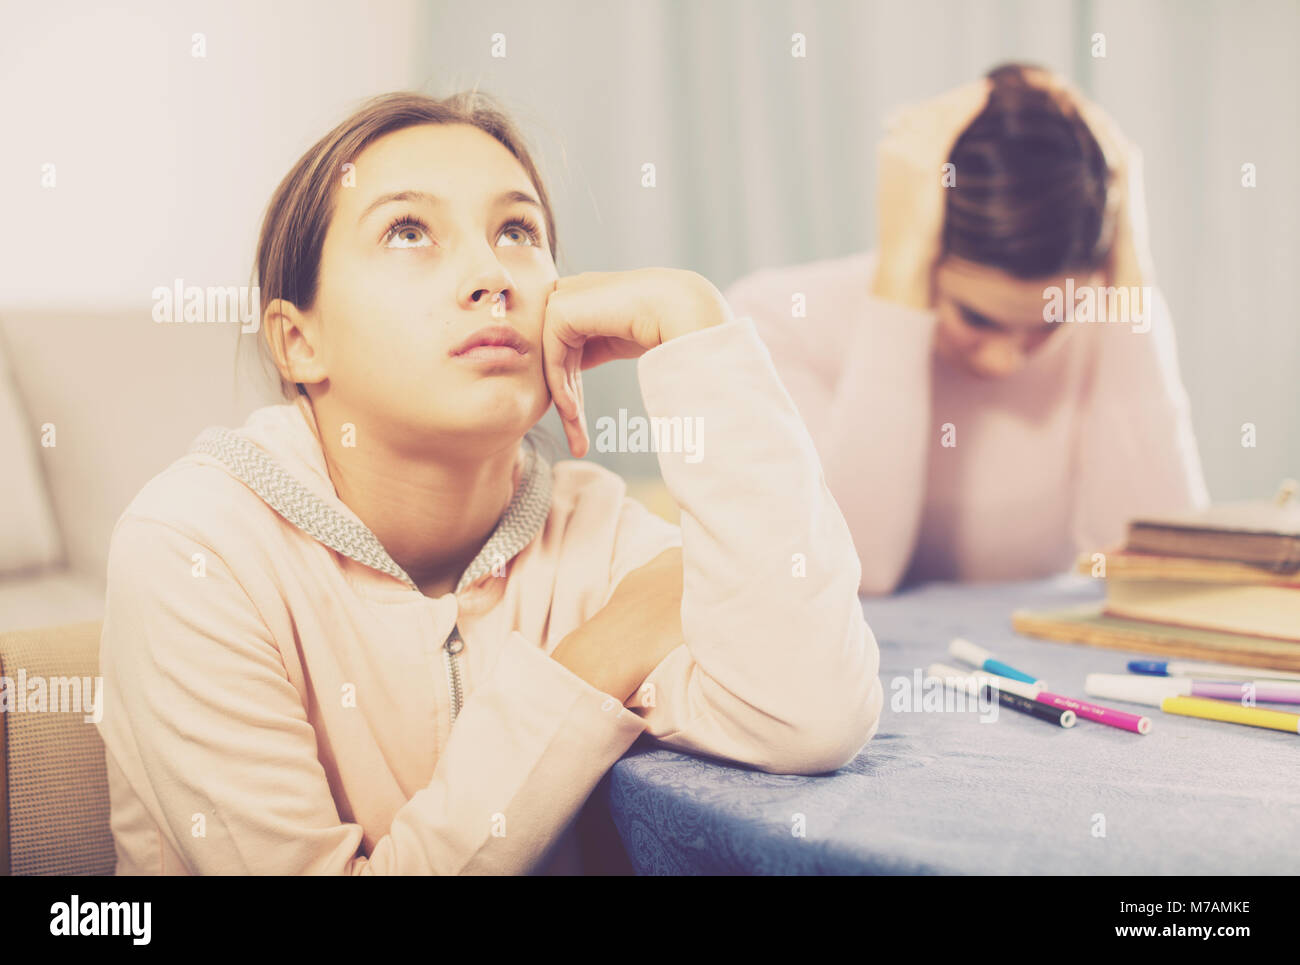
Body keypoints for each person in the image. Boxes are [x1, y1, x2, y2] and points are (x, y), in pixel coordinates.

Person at [93, 90, 883, 875]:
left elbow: (809, 715)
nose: (489, 274)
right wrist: (593, 656)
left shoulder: (597, 530)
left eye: (516, 230)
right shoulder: (193, 552)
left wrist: (697, 326)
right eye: (408, 231)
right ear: (298, 343)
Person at [726, 63, 1210, 596]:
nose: (1007, 362)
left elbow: (1165, 572)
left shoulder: (1105, 323)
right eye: (977, 317)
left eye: (1050, 323)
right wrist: (900, 287)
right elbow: (859, 567)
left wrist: (1133, 278)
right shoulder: (773, 321)